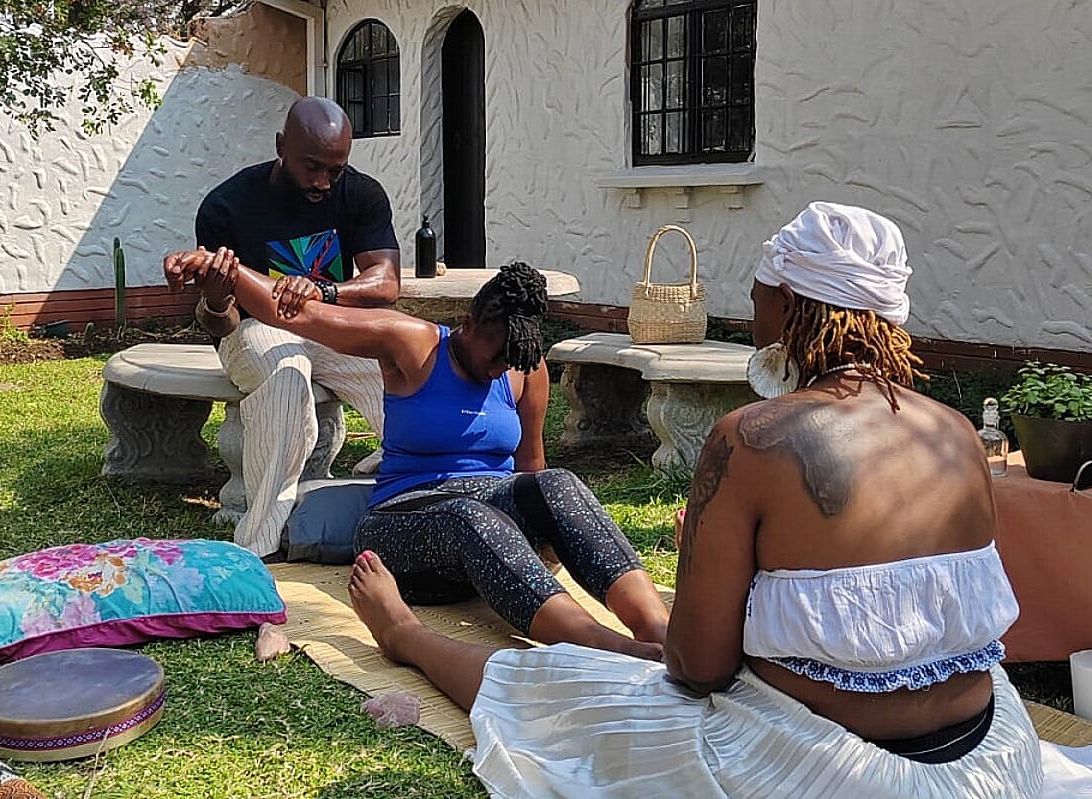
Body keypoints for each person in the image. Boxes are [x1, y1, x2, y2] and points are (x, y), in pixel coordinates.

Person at [342, 203, 1044, 797]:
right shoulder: (959, 433)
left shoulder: (754, 437)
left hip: (826, 769)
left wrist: (708, 577)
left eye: (762, 288)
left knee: (550, 681)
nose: (753, 303)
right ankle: (621, 631)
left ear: (793, 304)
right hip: (991, 761)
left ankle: (405, 634)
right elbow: (901, 611)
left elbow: (701, 668)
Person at [167, 249, 671, 660]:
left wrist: (547, 532)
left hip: (488, 537)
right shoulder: (414, 345)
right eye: (492, 353)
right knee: (468, 517)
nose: (499, 369)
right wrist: (229, 270)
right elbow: (306, 315)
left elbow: (531, 469)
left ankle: (660, 629)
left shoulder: (525, 366)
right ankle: (609, 647)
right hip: (404, 526)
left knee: (559, 484)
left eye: (510, 359)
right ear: (469, 324)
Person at [166, 96, 399, 558]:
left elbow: (385, 283)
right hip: (252, 331)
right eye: (312, 166)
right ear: (280, 147)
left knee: (406, 364)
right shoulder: (227, 205)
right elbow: (221, 321)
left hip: (329, 322)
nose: (322, 182)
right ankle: (260, 544)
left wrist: (323, 292)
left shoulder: (361, 193)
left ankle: (422, 495)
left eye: (335, 169)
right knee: (287, 377)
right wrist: (216, 293)